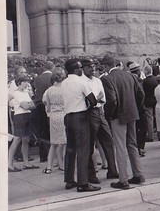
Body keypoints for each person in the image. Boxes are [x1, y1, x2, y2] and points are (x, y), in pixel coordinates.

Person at [101, 54, 146, 190]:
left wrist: (109, 115)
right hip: (132, 113)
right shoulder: (130, 76)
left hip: (118, 115)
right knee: (132, 144)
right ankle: (138, 174)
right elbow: (141, 94)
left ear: (105, 65)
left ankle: (123, 179)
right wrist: (135, 108)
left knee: (120, 147)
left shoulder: (107, 79)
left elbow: (112, 100)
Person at [62, 58, 99, 192]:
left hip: (68, 116)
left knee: (70, 149)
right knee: (83, 150)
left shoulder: (64, 83)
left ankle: (69, 180)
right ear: (76, 70)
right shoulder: (81, 82)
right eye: (80, 67)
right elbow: (93, 101)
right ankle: (83, 183)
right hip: (80, 116)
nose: (82, 69)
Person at [81, 59, 119, 183]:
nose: (92, 69)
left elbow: (103, 97)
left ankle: (112, 171)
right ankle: (91, 175)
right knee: (90, 145)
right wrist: (94, 100)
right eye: (89, 67)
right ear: (83, 68)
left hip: (99, 112)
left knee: (108, 140)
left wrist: (94, 99)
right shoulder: (81, 82)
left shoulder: (98, 80)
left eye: (93, 66)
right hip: (88, 114)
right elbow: (86, 101)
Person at [8, 74, 38, 172]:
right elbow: (25, 106)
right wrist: (26, 105)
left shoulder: (25, 93)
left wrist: (26, 104)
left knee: (26, 140)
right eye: (25, 82)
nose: (27, 84)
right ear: (19, 83)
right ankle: (9, 164)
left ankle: (26, 163)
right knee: (17, 140)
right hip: (19, 117)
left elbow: (32, 105)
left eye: (28, 82)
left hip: (27, 116)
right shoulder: (16, 93)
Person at [41, 68, 67, 174]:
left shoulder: (49, 90)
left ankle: (48, 167)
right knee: (65, 143)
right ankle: (65, 166)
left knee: (54, 143)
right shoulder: (65, 89)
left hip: (53, 116)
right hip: (64, 115)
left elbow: (47, 108)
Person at [33, 60, 55, 162]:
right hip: (52, 105)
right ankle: (53, 154)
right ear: (52, 68)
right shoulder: (53, 77)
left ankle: (43, 155)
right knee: (52, 128)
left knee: (42, 129)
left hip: (39, 105)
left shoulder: (37, 78)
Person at [142, 65, 159, 141]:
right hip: (156, 100)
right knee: (157, 118)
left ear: (146, 71)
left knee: (149, 119)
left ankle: (150, 136)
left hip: (148, 101)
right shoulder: (157, 79)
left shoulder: (144, 81)